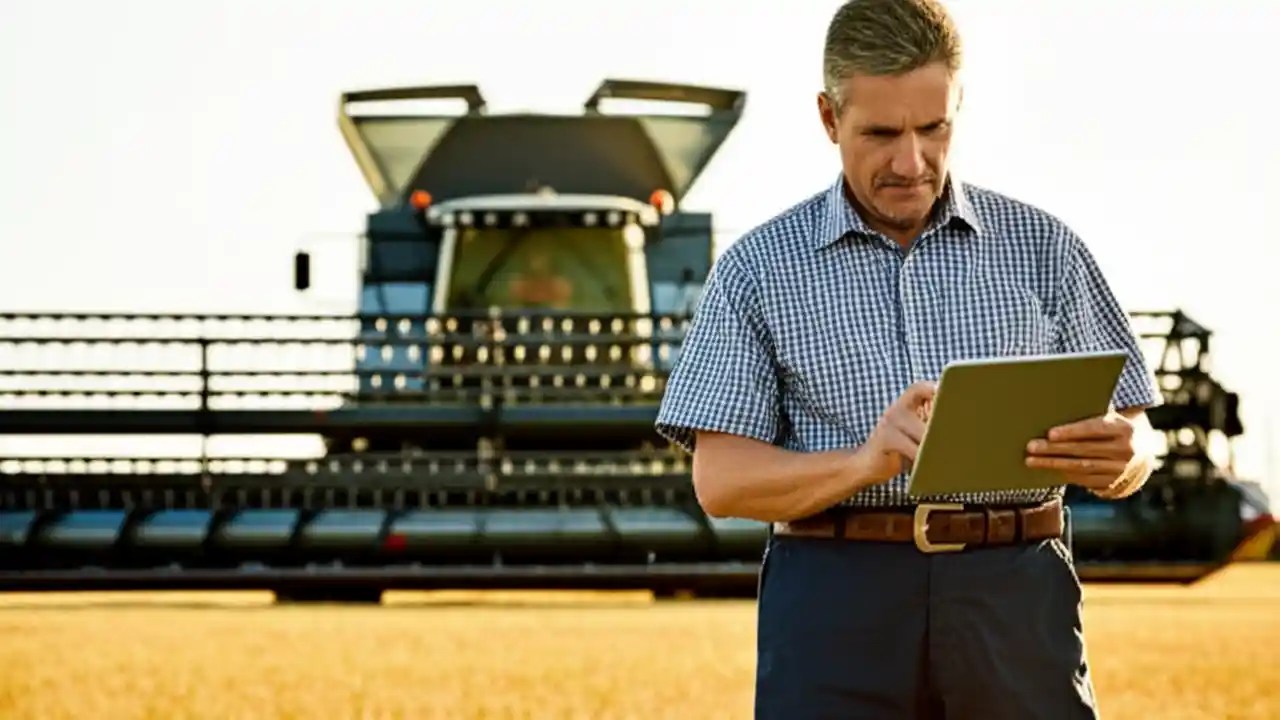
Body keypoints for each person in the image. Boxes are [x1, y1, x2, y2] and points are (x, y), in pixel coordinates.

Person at [653, 1, 1163, 718]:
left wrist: (1129, 455)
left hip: (1018, 599)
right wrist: (866, 462)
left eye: (933, 128)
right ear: (829, 118)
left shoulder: (1047, 249)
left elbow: (1139, 431)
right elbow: (721, 481)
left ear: (958, 107)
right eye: (882, 133)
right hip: (835, 605)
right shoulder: (757, 269)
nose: (911, 162)